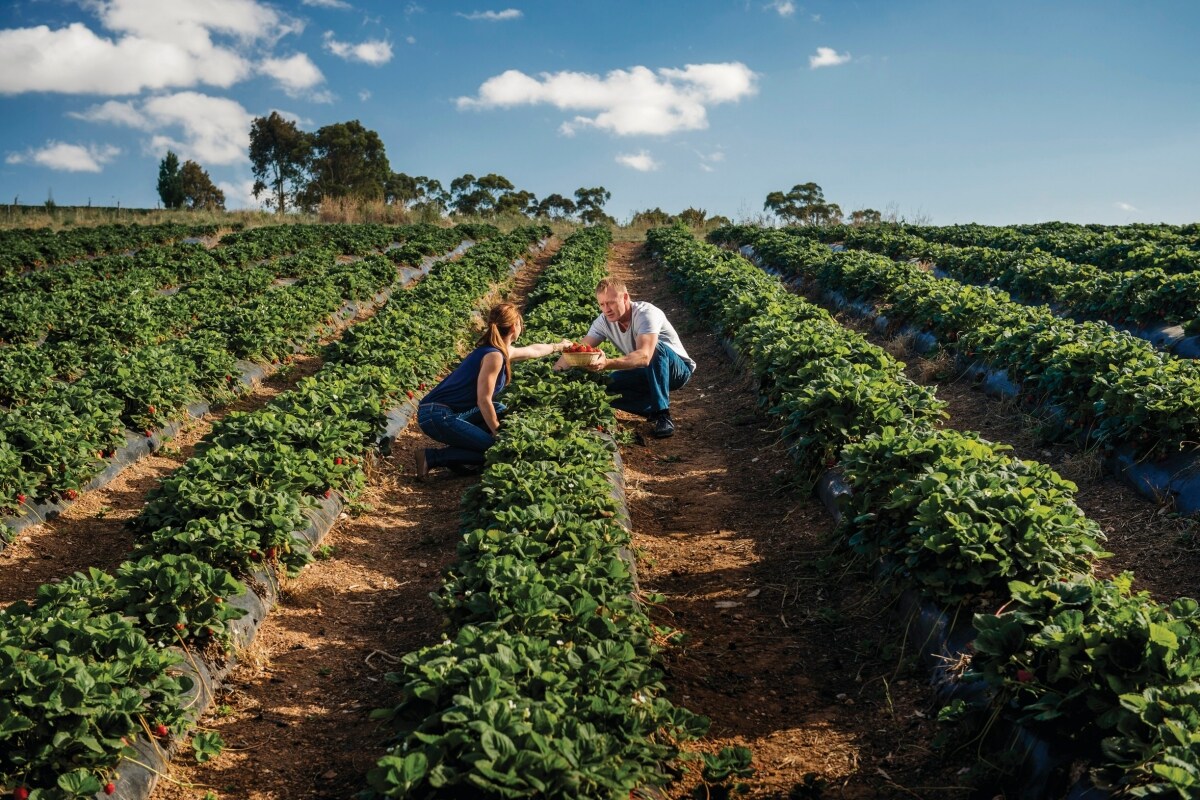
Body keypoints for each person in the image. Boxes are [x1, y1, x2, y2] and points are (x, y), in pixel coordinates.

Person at [416, 303, 570, 478]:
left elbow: (533, 350)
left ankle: (463, 452)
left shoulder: (497, 350)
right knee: (497, 450)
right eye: (520, 323)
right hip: (437, 415)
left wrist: (559, 346)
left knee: (499, 409)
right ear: (514, 327)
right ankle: (433, 457)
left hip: (441, 412)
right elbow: (483, 400)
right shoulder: (494, 356)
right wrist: (497, 433)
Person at [555, 277, 695, 438]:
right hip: (643, 371)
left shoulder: (646, 314)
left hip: (676, 370)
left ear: (625, 297)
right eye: (602, 304)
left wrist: (606, 363)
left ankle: (662, 414)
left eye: (611, 302)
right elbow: (578, 351)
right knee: (603, 387)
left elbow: (645, 356)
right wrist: (554, 374)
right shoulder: (603, 322)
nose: (606, 309)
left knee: (656, 348)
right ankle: (650, 409)